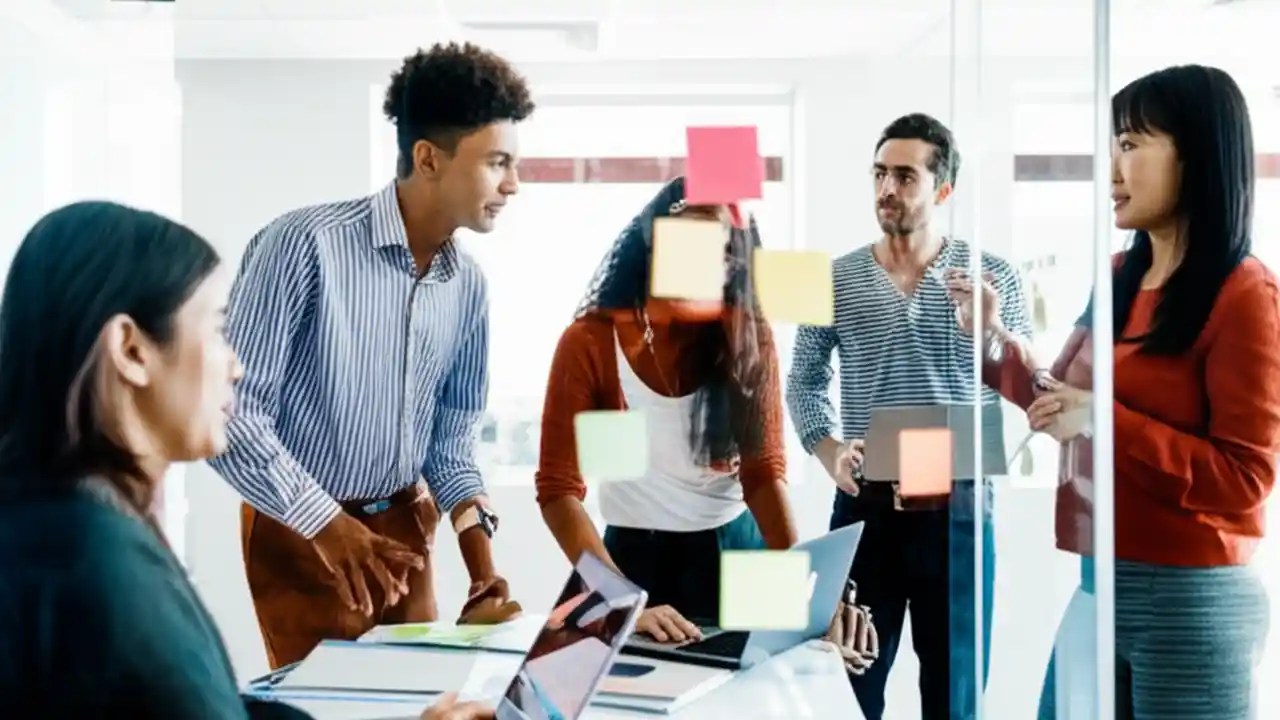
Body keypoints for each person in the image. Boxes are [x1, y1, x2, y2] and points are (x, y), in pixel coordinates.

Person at [0, 202, 494, 719]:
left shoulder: (66, 526)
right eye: (217, 331)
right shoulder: (97, 561)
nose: (235, 367)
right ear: (130, 350)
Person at [208, 41, 534, 669]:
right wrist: (328, 526)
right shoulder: (302, 246)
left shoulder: (468, 286)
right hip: (301, 531)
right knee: (324, 709)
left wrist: (482, 570)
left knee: (422, 701)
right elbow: (232, 414)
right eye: (498, 163)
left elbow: (449, 441)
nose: (513, 185)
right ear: (428, 159)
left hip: (407, 531)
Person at [988, 65, 1278, 720]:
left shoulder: (1245, 294)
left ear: (1195, 154)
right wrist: (988, 336)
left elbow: (1245, 478)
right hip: (1098, 588)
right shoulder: (1117, 275)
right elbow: (1056, 395)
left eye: (1130, 144)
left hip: (1192, 603)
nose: (1111, 167)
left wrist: (1102, 420)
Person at [535, 177, 875, 671]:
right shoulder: (589, 341)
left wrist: (811, 592)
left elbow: (763, 474)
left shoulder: (746, 337)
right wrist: (618, 601)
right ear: (652, 243)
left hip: (737, 545)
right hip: (628, 557)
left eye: (720, 255)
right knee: (584, 691)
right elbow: (558, 488)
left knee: (762, 696)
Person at [786, 113, 1034, 720]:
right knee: (848, 686)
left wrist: (991, 328)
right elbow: (803, 381)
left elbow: (1031, 388)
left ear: (942, 190)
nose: (886, 189)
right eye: (878, 174)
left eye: (904, 176)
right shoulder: (837, 276)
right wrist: (829, 450)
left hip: (958, 512)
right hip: (867, 509)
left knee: (955, 695)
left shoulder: (991, 275)